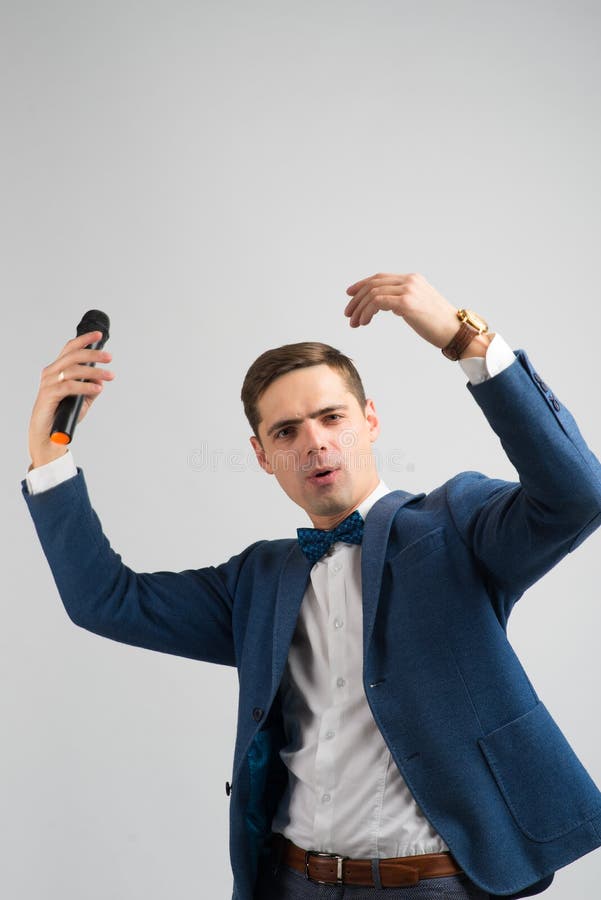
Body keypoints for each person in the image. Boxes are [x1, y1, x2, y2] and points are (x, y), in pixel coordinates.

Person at [23, 272, 601, 900]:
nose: (315, 442)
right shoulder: (257, 581)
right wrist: (48, 457)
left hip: (436, 887)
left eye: (332, 417)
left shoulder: (454, 526)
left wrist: (467, 340)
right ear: (262, 455)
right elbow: (104, 600)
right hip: (292, 882)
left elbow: (576, 495)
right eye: (286, 431)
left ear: (370, 420)